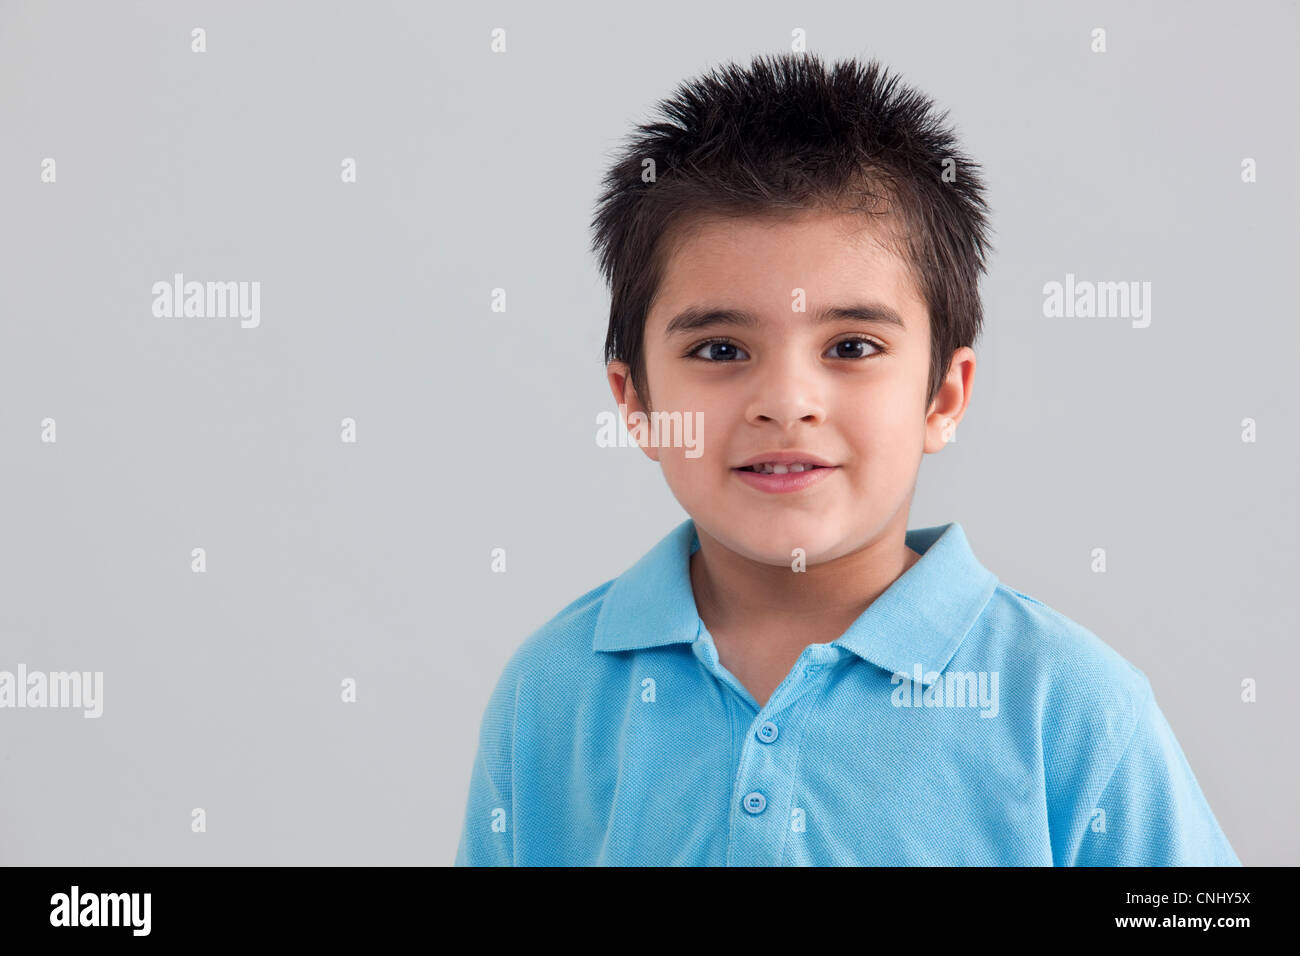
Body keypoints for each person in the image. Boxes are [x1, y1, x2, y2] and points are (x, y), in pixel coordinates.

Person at [454, 52, 1241, 866]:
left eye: (852, 346)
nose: (787, 401)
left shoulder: (1072, 709)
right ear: (637, 402)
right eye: (721, 348)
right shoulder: (550, 695)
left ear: (942, 396)